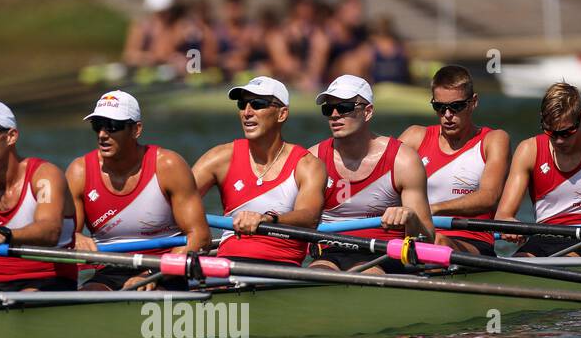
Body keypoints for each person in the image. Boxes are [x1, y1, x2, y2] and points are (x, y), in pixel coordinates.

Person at [66, 90, 210, 290]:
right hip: (109, 271)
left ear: (136, 130)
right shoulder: (79, 172)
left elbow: (200, 237)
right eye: (97, 126)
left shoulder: (168, 166)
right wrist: (75, 237)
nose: (102, 135)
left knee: (150, 296)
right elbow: (64, 235)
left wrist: (152, 275)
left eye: (112, 126)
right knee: (84, 301)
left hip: (163, 270)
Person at [191, 76, 326, 265]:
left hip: (282, 266)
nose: (247, 112)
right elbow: (176, 203)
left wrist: (267, 219)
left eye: (257, 104)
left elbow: (310, 217)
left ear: (282, 114)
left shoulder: (308, 165)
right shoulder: (219, 158)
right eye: (242, 104)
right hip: (226, 266)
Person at [307, 75, 432, 274]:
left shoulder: (403, 160)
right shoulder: (313, 159)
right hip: (331, 253)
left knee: (365, 274)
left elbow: (428, 239)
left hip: (384, 254)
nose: (335, 114)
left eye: (345, 107)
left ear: (368, 112)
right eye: (328, 109)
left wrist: (410, 217)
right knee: (315, 275)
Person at [494, 82, 581, 257]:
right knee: (515, 265)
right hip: (543, 237)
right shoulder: (528, 150)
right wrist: (509, 225)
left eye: (566, 132)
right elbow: (503, 215)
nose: (559, 141)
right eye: (551, 132)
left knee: (566, 259)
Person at [0, 100, 77, 293]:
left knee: (24, 300)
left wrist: (2, 236)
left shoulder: (45, 175)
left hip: (47, 278)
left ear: (11, 137)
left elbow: (50, 230)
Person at [398, 65, 510, 256]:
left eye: (456, 107)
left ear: (473, 102)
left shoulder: (493, 140)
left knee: (435, 243)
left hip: (471, 242)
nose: (447, 115)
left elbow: (489, 197)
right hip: (416, 239)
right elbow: (378, 178)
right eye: (439, 107)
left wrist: (431, 209)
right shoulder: (414, 137)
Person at [368, 16, 410, 85]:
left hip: (398, 87)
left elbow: (406, 70)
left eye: (385, 27)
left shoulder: (399, 47)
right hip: (379, 88)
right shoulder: (370, 48)